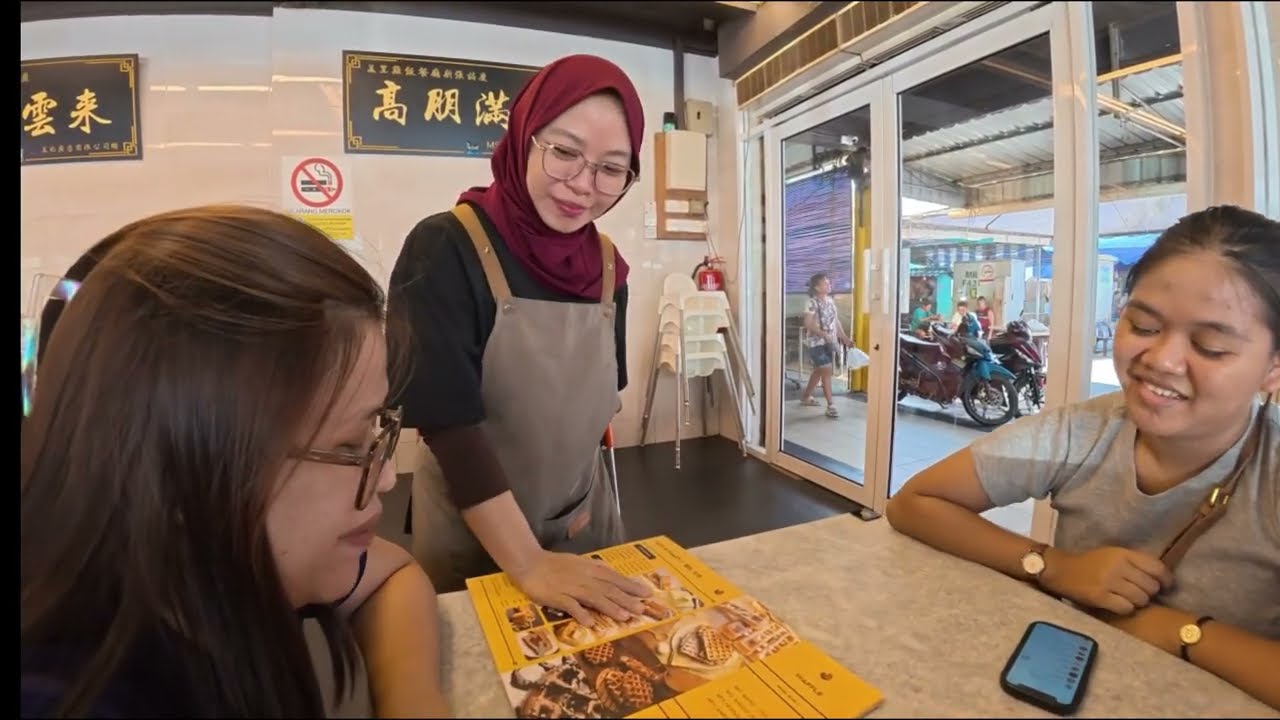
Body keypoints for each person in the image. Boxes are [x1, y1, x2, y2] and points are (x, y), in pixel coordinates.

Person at [21, 206, 448, 717]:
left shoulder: (210, 562)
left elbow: (391, 573)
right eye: (349, 447)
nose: (387, 477)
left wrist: (411, 700)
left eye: (377, 430)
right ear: (187, 466)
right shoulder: (71, 691)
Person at [886, 205, 1280, 710]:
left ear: (1273, 368)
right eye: (1144, 325)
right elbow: (915, 503)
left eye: (1210, 346)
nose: (1161, 360)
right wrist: (1052, 566)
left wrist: (1183, 632)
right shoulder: (1083, 433)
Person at [387, 54, 652, 624]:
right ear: (524, 135)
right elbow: (448, 425)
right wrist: (528, 561)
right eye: (565, 152)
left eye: (611, 169)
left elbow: (600, 403)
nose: (583, 186)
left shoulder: (608, 268)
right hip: (473, 537)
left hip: (582, 525)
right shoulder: (445, 247)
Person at [800, 272, 854, 418]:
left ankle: (806, 396)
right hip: (816, 343)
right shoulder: (811, 302)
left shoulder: (830, 301)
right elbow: (808, 323)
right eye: (826, 283)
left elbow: (836, 322)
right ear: (817, 287)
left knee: (819, 371)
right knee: (826, 370)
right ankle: (831, 405)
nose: (829, 284)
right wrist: (823, 333)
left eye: (829, 282)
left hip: (830, 342)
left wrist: (845, 338)